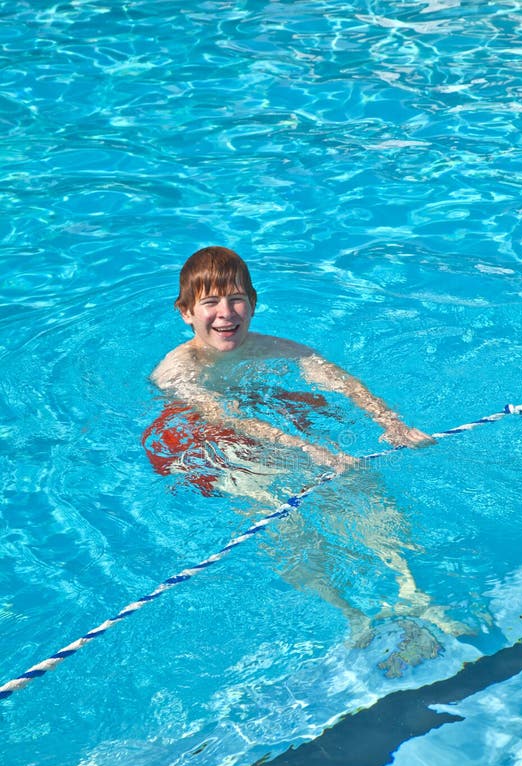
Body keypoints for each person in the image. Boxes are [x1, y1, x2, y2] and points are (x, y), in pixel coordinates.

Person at [146, 246, 460, 674]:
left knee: (359, 480)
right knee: (279, 511)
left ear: (253, 304)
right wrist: (315, 451)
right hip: (205, 440)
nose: (226, 313)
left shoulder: (268, 347)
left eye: (236, 298)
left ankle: (412, 589)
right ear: (186, 312)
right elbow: (226, 418)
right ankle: (352, 616)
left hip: (264, 417)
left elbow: (336, 379)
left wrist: (391, 422)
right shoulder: (178, 370)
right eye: (210, 302)